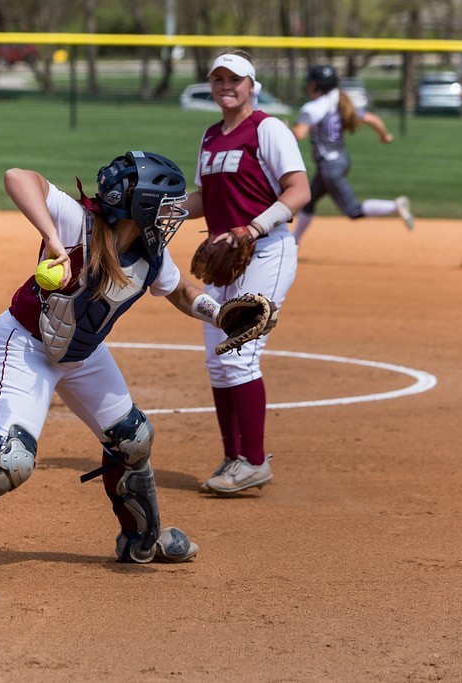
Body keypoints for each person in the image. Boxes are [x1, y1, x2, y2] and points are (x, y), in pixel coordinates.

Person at [0, 150, 253, 594]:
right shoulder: (79, 223)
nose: (175, 214)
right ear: (142, 207)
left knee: (134, 440)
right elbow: (18, 175)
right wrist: (52, 237)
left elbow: (182, 291)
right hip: (27, 345)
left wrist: (220, 314)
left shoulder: (150, 254)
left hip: (83, 356)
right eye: (167, 205)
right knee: (7, 462)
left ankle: (141, 542)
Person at [181, 49, 311, 495]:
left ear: (251, 85)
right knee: (219, 364)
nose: (225, 86)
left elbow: (299, 189)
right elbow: (204, 197)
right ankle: (235, 457)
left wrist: (254, 227)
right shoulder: (211, 135)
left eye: (234, 79)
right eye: (218, 79)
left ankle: (254, 461)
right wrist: (169, 210)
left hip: (266, 253)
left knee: (238, 355)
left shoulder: (268, 129)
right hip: (223, 258)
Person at [289, 64, 415, 245]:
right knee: (309, 202)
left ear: (319, 85)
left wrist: (282, 131)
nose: (308, 86)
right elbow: (371, 118)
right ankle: (295, 242)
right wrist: (384, 135)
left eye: (311, 83)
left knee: (353, 211)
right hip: (341, 160)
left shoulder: (313, 108)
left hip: (329, 166)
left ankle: (395, 206)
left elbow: (299, 134)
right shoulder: (339, 103)